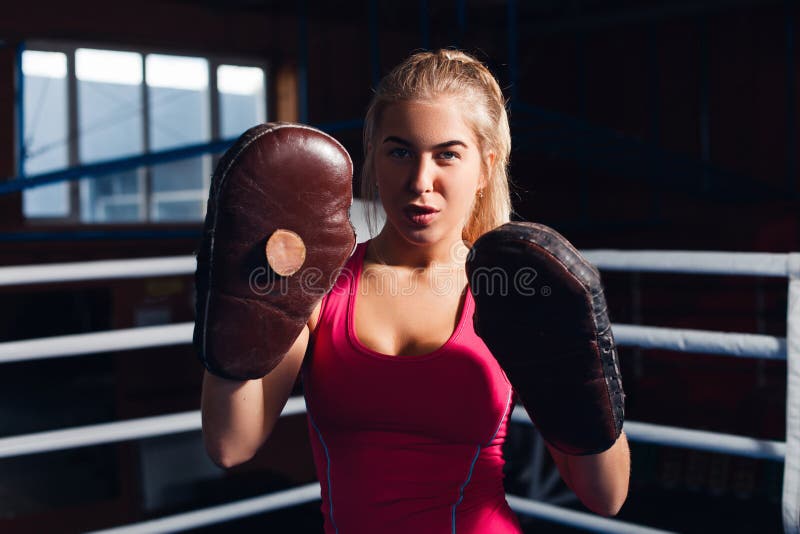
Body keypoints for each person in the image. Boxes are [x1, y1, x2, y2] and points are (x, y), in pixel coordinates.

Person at [200, 49, 630, 533]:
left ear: (485, 167)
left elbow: (606, 495)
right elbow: (230, 445)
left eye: (447, 154)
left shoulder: (512, 293)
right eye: (400, 151)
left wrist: (583, 369)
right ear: (375, 158)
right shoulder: (323, 284)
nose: (419, 181)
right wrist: (236, 295)